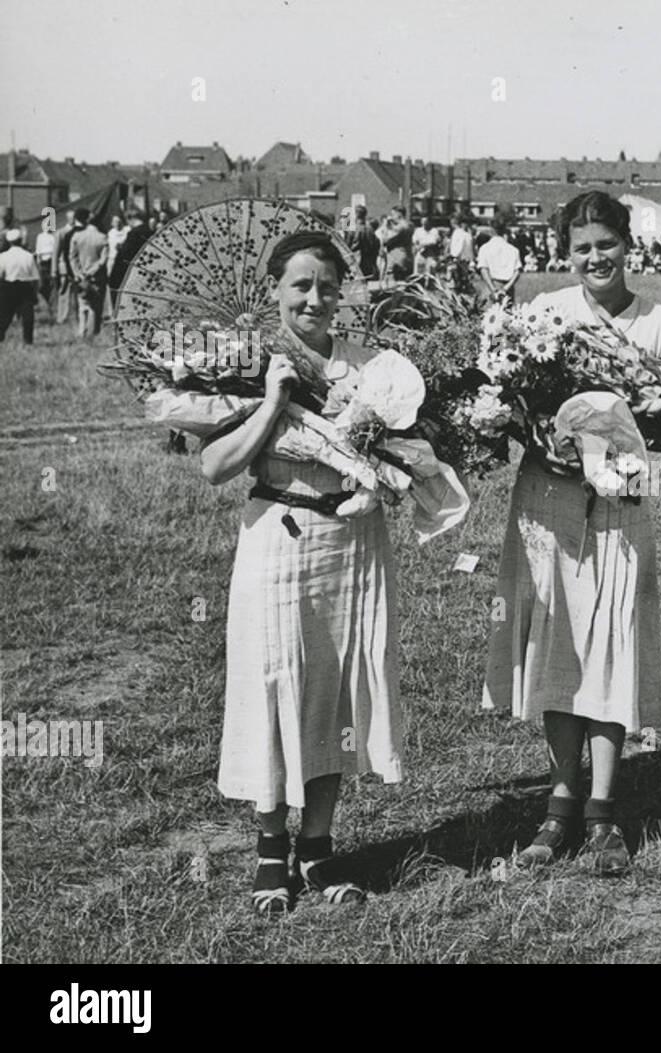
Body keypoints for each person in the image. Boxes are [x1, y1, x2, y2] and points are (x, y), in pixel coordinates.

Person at [483, 190, 661, 875]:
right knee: (559, 644)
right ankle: (560, 802)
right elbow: (514, 410)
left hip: (622, 505)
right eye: (581, 247)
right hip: (550, 501)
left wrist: (625, 455)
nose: (595, 256)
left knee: (613, 646)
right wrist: (548, 441)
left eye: (606, 243)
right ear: (562, 254)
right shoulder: (546, 316)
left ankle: (603, 809)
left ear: (629, 244)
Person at [200, 230, 400, 915]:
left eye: (325, 285)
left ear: (341, 292)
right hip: (276, 537)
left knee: (334, 686)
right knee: (272, 678)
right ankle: (267, 849)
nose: (313, 298)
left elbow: (405, 449)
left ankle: (317, 847)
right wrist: (271, 401)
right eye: (299, 286)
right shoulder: (250, 364)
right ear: (275, 292)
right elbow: (215, 465)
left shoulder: (369, 367)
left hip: (349, 537)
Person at [68, 209, 109, 337]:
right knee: (95, 305)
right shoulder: (102, 238)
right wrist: (92, 271)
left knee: (82, 304)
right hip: (97, 276)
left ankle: (82, 330)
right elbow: (103, 260)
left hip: (81, 276)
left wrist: (78, 273)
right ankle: (93, 331)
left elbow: (72, 257)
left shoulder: (77, 236)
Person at [0, 229, 41, 344]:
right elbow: (35, 278)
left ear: (8, 241)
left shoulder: (3, 256)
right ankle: (28, 340)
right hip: (25, 288)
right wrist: (35, 292)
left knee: (4, 315)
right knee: (28, 317)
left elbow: (1, 275)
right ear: (21, 240)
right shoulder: (28, 256)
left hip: (8, 287)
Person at [476, 214, 522, 303]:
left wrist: (494, 290)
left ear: (491, 230)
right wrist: (505, 288)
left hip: (490, 287)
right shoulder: (513, 250)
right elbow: (517, 272)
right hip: (508, 288)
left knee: (489, 314)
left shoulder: (485, 248)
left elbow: (484, 270)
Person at [379, 206, 413, 281]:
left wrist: (384, 226)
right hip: (406, 256)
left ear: (399, 214)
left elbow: (385, 241)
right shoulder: (409, 225)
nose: (391, 217)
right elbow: (397, 232)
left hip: (397, 258)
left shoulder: (400, 227)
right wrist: (390, 225)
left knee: (393, 284)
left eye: (393, 214)